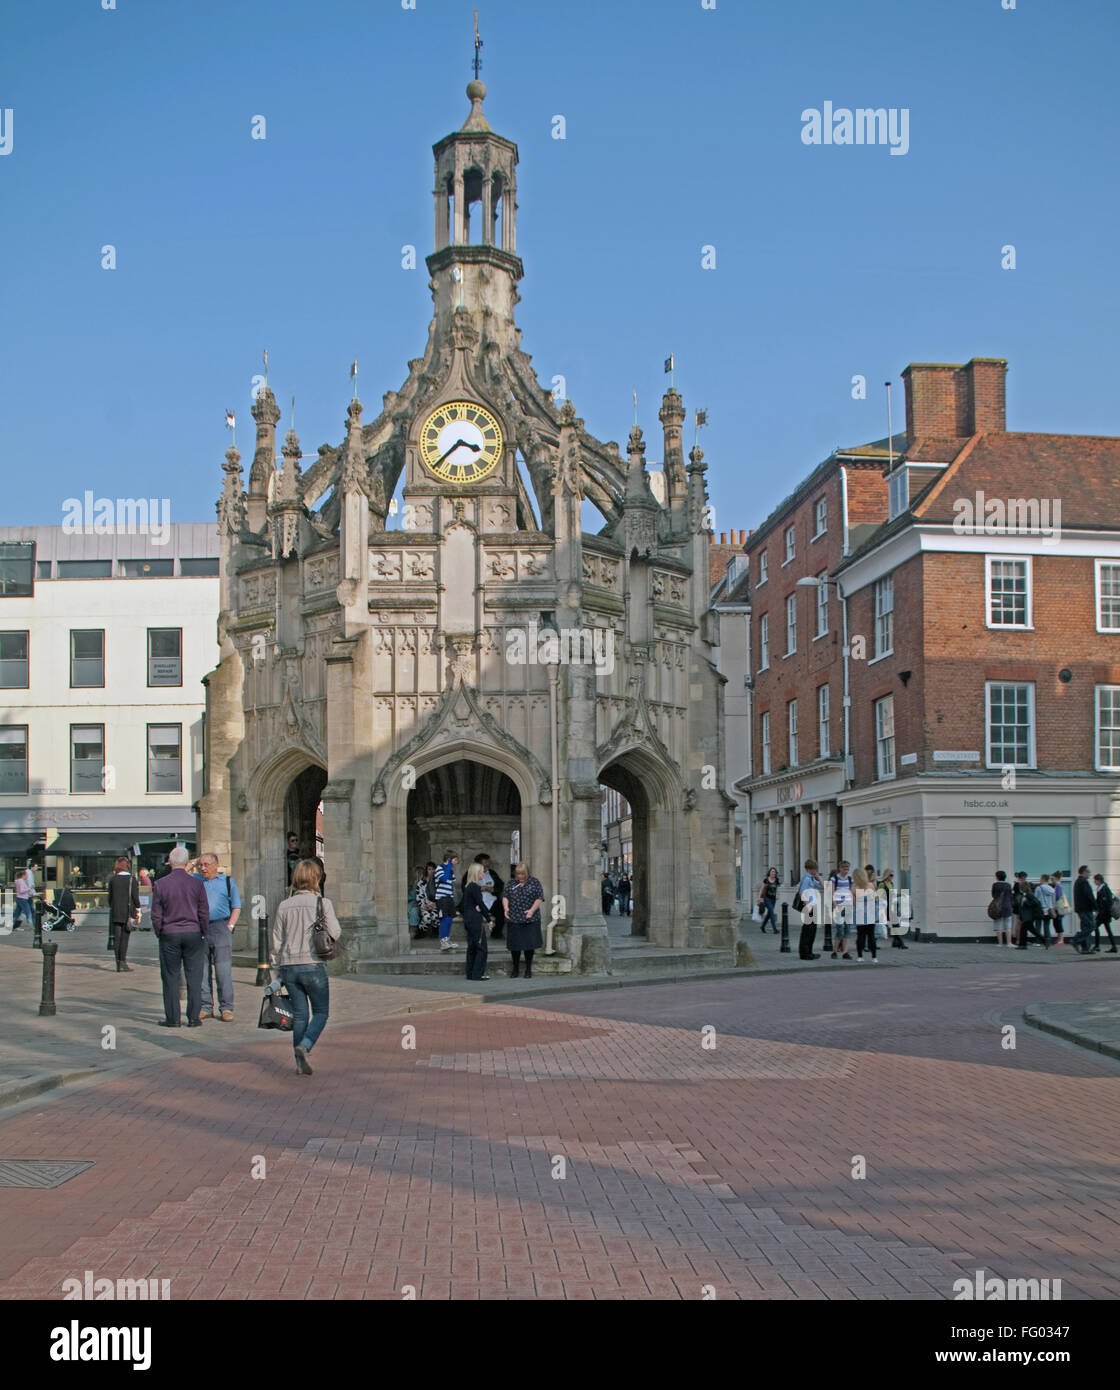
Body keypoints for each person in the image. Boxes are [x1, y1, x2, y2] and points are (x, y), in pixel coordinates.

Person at [270, 858, 341, 1074]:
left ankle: (299, 1062)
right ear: (316, 879)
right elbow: (335, 932)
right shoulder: (322, 903)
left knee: (300, 1015)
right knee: (321, 1012)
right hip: (312, 963)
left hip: (289, 966)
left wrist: (275, 971)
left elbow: (276, 940)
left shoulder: (284, 905)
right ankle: (306, 1045)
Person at [151, 846, 209, 1028]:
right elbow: (203, 912)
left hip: (169, 933)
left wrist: (160, 931)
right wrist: (202, 931)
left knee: (170, 977)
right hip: (193, 932)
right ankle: (193, 1017)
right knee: (194, 977)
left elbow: (156, 915)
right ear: (186, 863)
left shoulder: (161, 884)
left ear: (170, 862)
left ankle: (173, 1018)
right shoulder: (197, 884)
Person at [192, 853, 242, 1020]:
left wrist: (230, 926)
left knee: (223, 970)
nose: (203, 868)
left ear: (216, 865)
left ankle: (226, 1007)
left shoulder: (228, 882)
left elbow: (236, 906)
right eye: (201, 865)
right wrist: (193, 862)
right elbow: (180, 874)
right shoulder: (196, 879)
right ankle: (206, 1006)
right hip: (200, 927)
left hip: (221, 927)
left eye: (206, 864)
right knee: (202, 970)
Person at [503, 861, 544, 978]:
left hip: (530, 919)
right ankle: (515, 969)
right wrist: (506, 908)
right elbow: (505, 896)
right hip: (514, 918)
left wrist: (531, 910)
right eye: (518, 874)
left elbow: (539, 898)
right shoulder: (511, 883)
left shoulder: (534, 882)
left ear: (527, 873)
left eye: (522, 874)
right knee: (515, 945)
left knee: (528, 945)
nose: (520, 877)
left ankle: (528, 969)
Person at [107, 856, 141, 972]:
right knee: (125, 938)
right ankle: (123, 962)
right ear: (127, 866)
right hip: (128, 913)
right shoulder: (132, 879)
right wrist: (138, 910)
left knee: (117, 938)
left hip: (116, 912)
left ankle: (117, 962)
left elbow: (109, 898)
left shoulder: (113, 880)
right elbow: (135, 897)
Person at [462, 861, 492, 981]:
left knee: (472, 947)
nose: (483, 873)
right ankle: (477, 974)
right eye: (482, 871)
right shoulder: (474, 887)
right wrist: (489, 919)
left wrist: (476, 907)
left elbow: (468, 905)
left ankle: (470, 973)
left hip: (469, 919)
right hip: (475, 920)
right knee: (481, 948)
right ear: (477, 873)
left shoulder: (469, 887)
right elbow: (481, 904)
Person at [797, 859, 823, 960]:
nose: (815, 871)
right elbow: (802, 893)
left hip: (813, 906)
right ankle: (804, 953)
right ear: (809, 869)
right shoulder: (806, 879)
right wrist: (808, 907)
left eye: (816, 869)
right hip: (809, 907)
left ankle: (809, 951)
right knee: (807, 930)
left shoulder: (812, 879)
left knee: (812, 930)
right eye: (814, 869)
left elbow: (823, 886)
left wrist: (818, 877)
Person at [434, 850, 459, 952]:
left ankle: (447, 940)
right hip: (442, 898)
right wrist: (448, 866)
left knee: (449, 919)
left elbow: (451, 879)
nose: (457, 862)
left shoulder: (450, 870)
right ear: (449, 860)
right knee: (444, 919)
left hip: (449, 897)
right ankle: (443, 941)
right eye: (455, 859)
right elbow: (444, 879)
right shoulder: (440, 868)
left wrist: (449, 867)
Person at [829, 861, 854, 960]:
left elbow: (851, 892)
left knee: (847, 929)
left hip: (847, 906)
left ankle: (845, 952)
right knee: (840, 929)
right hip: (839, 906)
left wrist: (852, 903)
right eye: (844, 869)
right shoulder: (834, 878)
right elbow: (832, 892)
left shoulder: (849, 879)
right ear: (840, 869)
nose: (846, 871)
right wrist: (835, 904)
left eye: (847, 869)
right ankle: (835, 951)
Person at [852, 868, 878, 962]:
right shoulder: (870, 886)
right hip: (870, 913)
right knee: (871, 936)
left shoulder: (854, 888)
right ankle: (874, 957)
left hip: (860, 914)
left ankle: (860, 956)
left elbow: (853, 904)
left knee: (860, 936)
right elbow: (876, 898)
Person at [1070, 865, 1097, 954]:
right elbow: (1089, 896)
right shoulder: (1084, 882)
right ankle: (1076, 939)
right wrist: (1095, 907)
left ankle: (1086, 948)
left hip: (1080, 908)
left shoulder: (1078, 882)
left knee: (1085, 927)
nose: (1089, 874)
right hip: (1086, 908)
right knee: (1091, 926)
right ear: (1084, 872)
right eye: (1088, 872)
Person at [1092, 874, 1117, 953]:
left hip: (1104, 914)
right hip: (1104, 914)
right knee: (1107, 930)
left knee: (1095, 927)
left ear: (1099, 880)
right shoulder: (1101, 888)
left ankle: (1097, 946)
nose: (1094, 882)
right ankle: (1114, 946)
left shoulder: (1104, 888)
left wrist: (1100, 911)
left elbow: (1106, 901)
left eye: (1095, 880)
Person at [990, 870, 1014, 948]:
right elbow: (1010, 896)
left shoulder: (995, 885)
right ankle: (1009, 943)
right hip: (1007, 906)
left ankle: (1000, 943)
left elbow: (993, 895)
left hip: (998, 907)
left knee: (998, 924)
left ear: (997, 877)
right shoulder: (1008, 885)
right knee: (1008, 925)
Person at [1035, 873, 1056, 944]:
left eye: (1040, 879)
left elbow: (1036, 899)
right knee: (1046, 926)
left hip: (1040, 909)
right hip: (1049, 910)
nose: (1040, 880)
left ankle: (1038, 941)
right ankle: (1047, 941)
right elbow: (1053, 900)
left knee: (1038, 926)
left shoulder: (1038, 888)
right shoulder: (1051, 889)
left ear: (1043, 879)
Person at [757, 867, 779, 933]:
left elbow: (777, 889)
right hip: (767, 898)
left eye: (774, 872)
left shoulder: (776, 880)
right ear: (769, 872)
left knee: (769, 914)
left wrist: (778, 894)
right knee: (772, 912)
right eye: (772, 871)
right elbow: (761, 889)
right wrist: (759, 898)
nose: (773, 873)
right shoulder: (766, 880)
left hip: (773, 899)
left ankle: (762, 926)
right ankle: (775, 929)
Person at [1050, 869, 1068, 946]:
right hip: (1058, 907)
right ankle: (1059, 939)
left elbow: (1057, 897)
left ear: (1056, 879)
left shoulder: (1058, 886)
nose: (1051, 881)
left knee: (1058, 923)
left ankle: (1061, 939)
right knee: (1056, 923)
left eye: (1052, 879)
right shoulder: (1057, 886)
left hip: (1059, 908)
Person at [407, 866, 424, 937]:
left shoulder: (424, 883)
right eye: (416, 874)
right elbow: (410, 896)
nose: (418, 876)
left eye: (419, 874)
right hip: (411, 902)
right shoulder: (412, 884)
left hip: (421, 903)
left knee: (414, 911)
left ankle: (413, 929)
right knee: (408, 909)